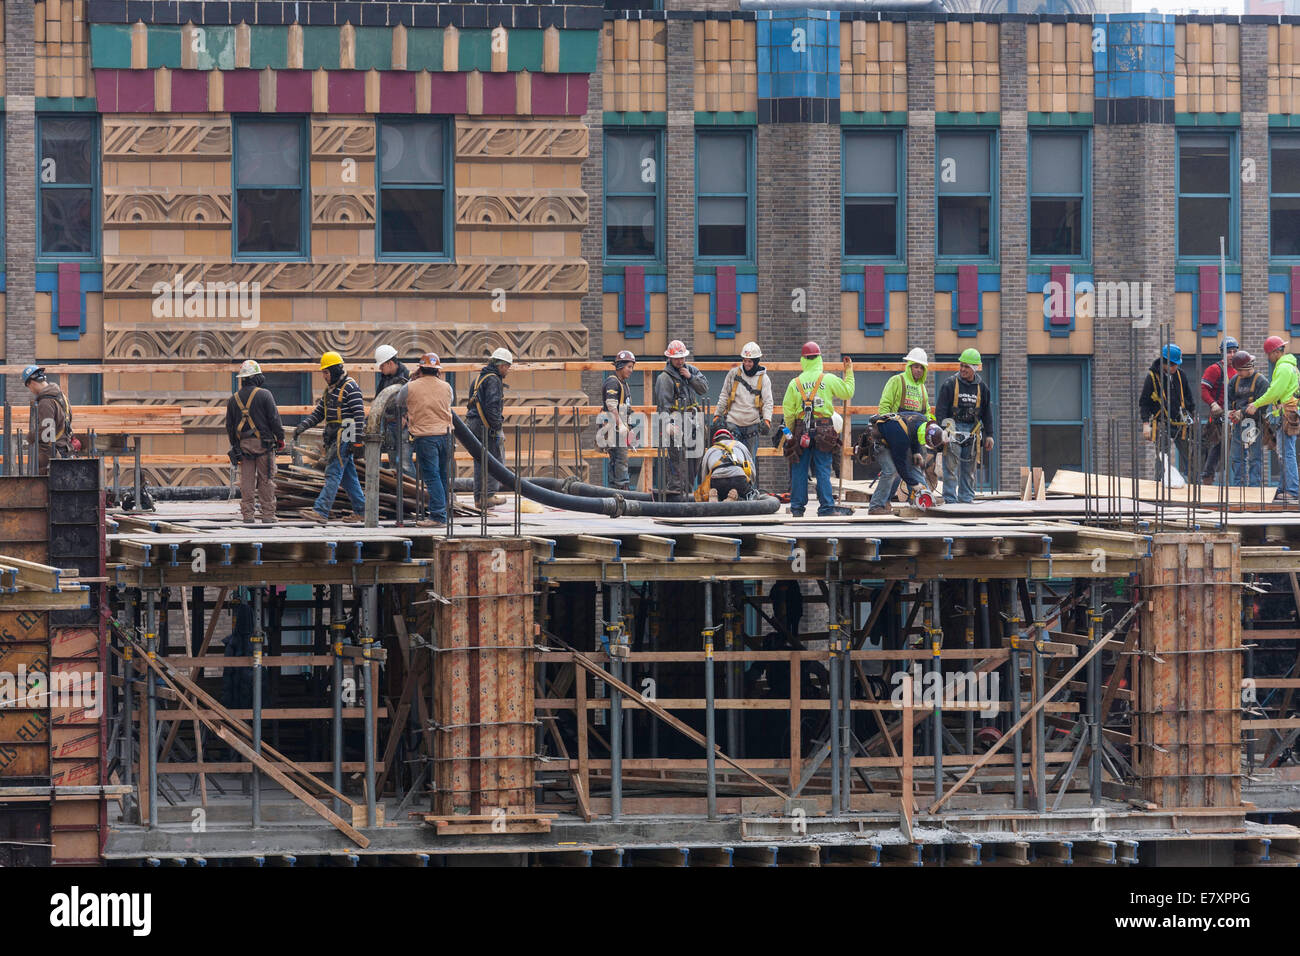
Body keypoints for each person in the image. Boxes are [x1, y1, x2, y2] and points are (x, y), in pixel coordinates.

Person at [780, 341, 854, 517]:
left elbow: (788, 412)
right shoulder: (827, 379)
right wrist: (849, 371)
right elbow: (847, 392)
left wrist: (790, 436)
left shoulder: (795, 383)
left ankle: (797, 509)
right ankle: (826, 507)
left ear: (803, 360)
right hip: (824, 430)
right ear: (819, 358)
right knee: (822, 469)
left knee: (799, 469)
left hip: (800, 429)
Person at [292, 351, 367, 523]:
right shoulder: (330, 391)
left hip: (345, 435)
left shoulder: (350, 387)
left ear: (334, 370)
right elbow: (318, 414)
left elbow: (359, 415)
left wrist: (356, 441)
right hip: (334, 436)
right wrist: (303, 426)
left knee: (332, 473)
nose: (324, 376)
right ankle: (362, 511)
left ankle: (321, 511)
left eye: (326, 372)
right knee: (348, 477)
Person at [868, 348, 933, 512]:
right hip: (894, 434)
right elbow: (884, 407)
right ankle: (880, 503)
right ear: (909, 365)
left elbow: (925, 416)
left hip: (913, 436)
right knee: (894, 469)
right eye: (915, 366)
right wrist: (888, 429)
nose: (918, 370)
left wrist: (919, 446)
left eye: (921, 367)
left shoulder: (922, 389)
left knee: (914, 468)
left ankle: (923, 500)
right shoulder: (897, 381)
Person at [225, 360, 285, 524]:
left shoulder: (233, 400)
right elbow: (274, 419)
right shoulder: (265, 395)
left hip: (243, 447)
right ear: (255, 377)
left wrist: (235, 446)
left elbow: (229, 427)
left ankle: (248, 515)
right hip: (264, 446)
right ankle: (268, 515)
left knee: (247, 482)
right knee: (266, 481)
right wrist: (280, 438)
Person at [399, 352, 454, 527]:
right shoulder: (447, 387)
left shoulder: (411, 387)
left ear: (420, 369)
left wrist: (412, 381)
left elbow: (399, 401)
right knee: (443, 476)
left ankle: (438, 516)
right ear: (438, 371)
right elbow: (449, 401)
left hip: (425, 437)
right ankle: (443, 512)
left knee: (432, 477)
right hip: (446, 436)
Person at [936, 347, 994, 504]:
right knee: (951, 469)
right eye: (961, 365)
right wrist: (943, 431)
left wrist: (989, 435)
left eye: (966, 367)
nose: (962, 369)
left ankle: (966, 501)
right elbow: (940, 410)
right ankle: (950, 501)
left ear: (975, 368)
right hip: (953, 429)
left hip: (972, 432)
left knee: (969, 470)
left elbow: (987, 413)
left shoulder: (982, 388)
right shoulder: (950, 384)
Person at [1246, 335, 1300, 502]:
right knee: (1283, 452)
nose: (1268, 357)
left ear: (1276, 352)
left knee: (1287, 453)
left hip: (1286, 414)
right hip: (1287, 413)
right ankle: (1284, 489)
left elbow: (1274, 392)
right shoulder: (1290, 367)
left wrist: (1256, 404)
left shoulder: (1283, 368)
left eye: (1269, 354)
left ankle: (1292, 490)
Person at [655, 340, 709, 501]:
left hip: (694, 423)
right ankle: (677, 497)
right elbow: (663, 405)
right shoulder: (665, 378)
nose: (680, 361)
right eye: (676, 358)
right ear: (670, 358)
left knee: (694, 462)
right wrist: (666, 425)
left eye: (682, 358)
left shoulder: (691, 371)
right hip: (676, 424)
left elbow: (704, 388)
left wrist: (691, 377)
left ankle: (688, 494)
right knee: (678, 463)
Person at [860, 411, 946, 513]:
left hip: (895, 437)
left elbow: (914, 435)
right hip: (882, 442)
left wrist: (916, 452)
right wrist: (913, 484)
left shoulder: (922, 420)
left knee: (914, 466)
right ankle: (876, 506)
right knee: (891, 471)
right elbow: (900, 465)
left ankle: (925, 499)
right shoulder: (901, 438)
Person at [466, 347, 513, 508]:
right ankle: (489, 495)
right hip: (485, 426)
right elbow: (492, 406)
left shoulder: (479, 377)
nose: (508, 370)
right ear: (501, 365)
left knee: (480, 462)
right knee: (494, 461)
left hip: (473, 424)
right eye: (507, 366)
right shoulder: (493, 379)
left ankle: (479, 498)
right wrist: (496, 427)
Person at [1139, 343, 1194, 477]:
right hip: (1161, 422)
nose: (1176, 367)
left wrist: (1191, 415)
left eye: (1177, 364)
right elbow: (1144, 402)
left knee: (1191, 456)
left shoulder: (1181, 375)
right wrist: (1145, 424)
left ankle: (1194, 485)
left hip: (1180, 422)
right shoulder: (1152, 378)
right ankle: (1159, 486)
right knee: (1162, 457)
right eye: (1173, 364)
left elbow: (1189, 398)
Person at [715, 341, 773, 467]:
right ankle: (733, 486)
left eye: (750, 361)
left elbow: (768, 402)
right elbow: (724, 394)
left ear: (756, 361)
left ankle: (748, 487)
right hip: (733, 423)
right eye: (745, 360)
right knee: (733, 461)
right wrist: (717, 414)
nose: (747, 364)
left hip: (752, 425)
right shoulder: (733, 374)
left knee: (749, 463)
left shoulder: (763, 379)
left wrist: (767, 420)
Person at [21, 365, 75, 474]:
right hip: (65, 448)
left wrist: (30, 438)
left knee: (48, 488)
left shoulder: (45, 401)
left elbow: (46, 431)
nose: (31, 390)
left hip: (52, 453)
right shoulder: (62, 396)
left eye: (29, 387)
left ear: (31, 382)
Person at [1226, 350, 1269, 488]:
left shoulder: (1261, 381)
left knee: (1255, 457)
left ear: (1247, 367)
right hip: (1238, 424)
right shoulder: (1235, 380)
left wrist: (1242, 412)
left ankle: (1255, 487)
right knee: (1237, 457)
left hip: (1254, 424)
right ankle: (1238, 486)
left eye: (1239, 370)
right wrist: (1229, 411)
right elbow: (1229, 398)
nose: (1238, 373)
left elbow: (1262, 406)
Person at [1199, 336, 1239, 483]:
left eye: (1235, 351)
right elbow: (1203, 389)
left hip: (1234, 415)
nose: (1232, 355)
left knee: (1234, 449)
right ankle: (1208, 478)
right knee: (1216, 448)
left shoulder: (1237, 370)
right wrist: (1212, 404)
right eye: (1229, 352)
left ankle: (1238, 480)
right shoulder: (1215, 369)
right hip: (1219, 415)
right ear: (1222, 352)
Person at [602, 351, 637, 490]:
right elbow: (611, 406)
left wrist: (630, 429)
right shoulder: (612, 382)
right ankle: (622, 491)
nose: (631, 370)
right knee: (620, 460)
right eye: (629, 366)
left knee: (617, 461)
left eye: (632, 367)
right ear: (621, 366)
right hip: (614, 429)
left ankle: (615, 491)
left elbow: (627, 409)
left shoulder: (624, 385)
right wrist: (621, 425)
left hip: (620, 429)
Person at [696, 426, 757, 501]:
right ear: (731, 438)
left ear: (715, 441)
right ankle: (734, 497)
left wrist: (706, 490)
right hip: (738, 479)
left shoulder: (710, 450)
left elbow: (704, 475)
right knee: (749, 496)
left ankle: (715, 496)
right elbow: (751, 467)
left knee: (720, 491)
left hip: (717, 481)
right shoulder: (740, 445)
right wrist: (750, 485)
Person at [375, 344, 411, 470]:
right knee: (393, 465)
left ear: (390, 363)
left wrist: (405, 416)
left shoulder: (406, 377)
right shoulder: (385, 379)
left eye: (382, 365)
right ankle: (395, 489)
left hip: (403, 425)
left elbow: (412, 399)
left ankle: (408, 489)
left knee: (405, 464)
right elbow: (378, 399)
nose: (380, 368)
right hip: (390, 423)